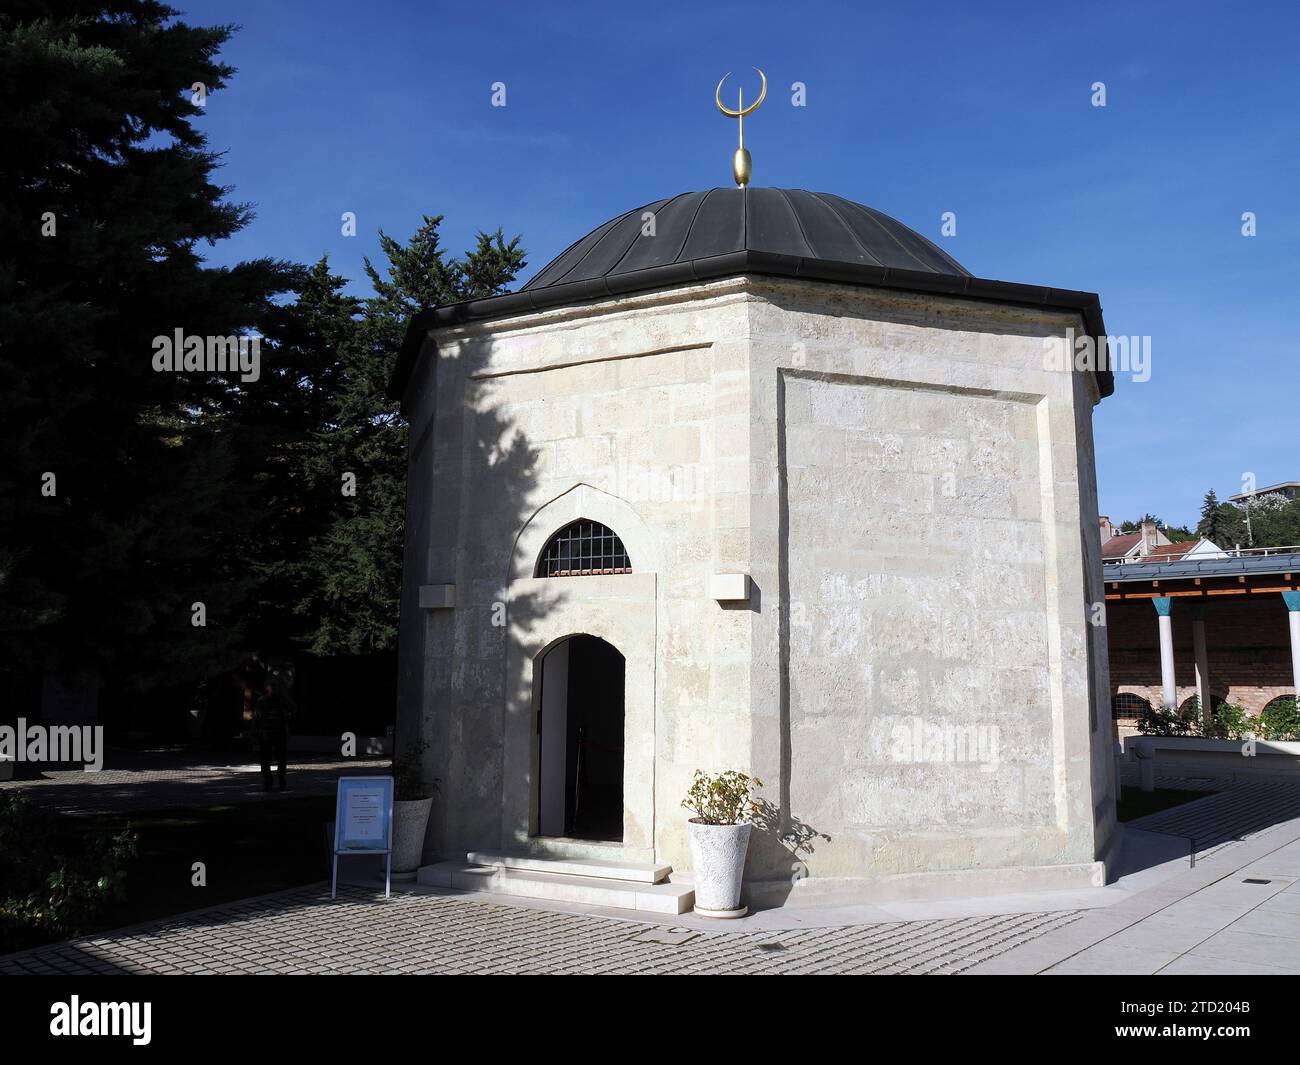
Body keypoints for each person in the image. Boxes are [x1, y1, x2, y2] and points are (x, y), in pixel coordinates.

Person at [252, 674, 294, 791]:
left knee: (281, 759)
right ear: (267, 687)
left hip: (280, 734)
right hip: (266, 735)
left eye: (276, 686)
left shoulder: (282, 700)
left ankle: (281, 779)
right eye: (272, 686)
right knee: (265, 760)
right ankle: (268, 781)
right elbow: (256, 719)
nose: (274, 688)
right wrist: (256, 734)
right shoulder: (262, 701)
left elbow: (293, 708)